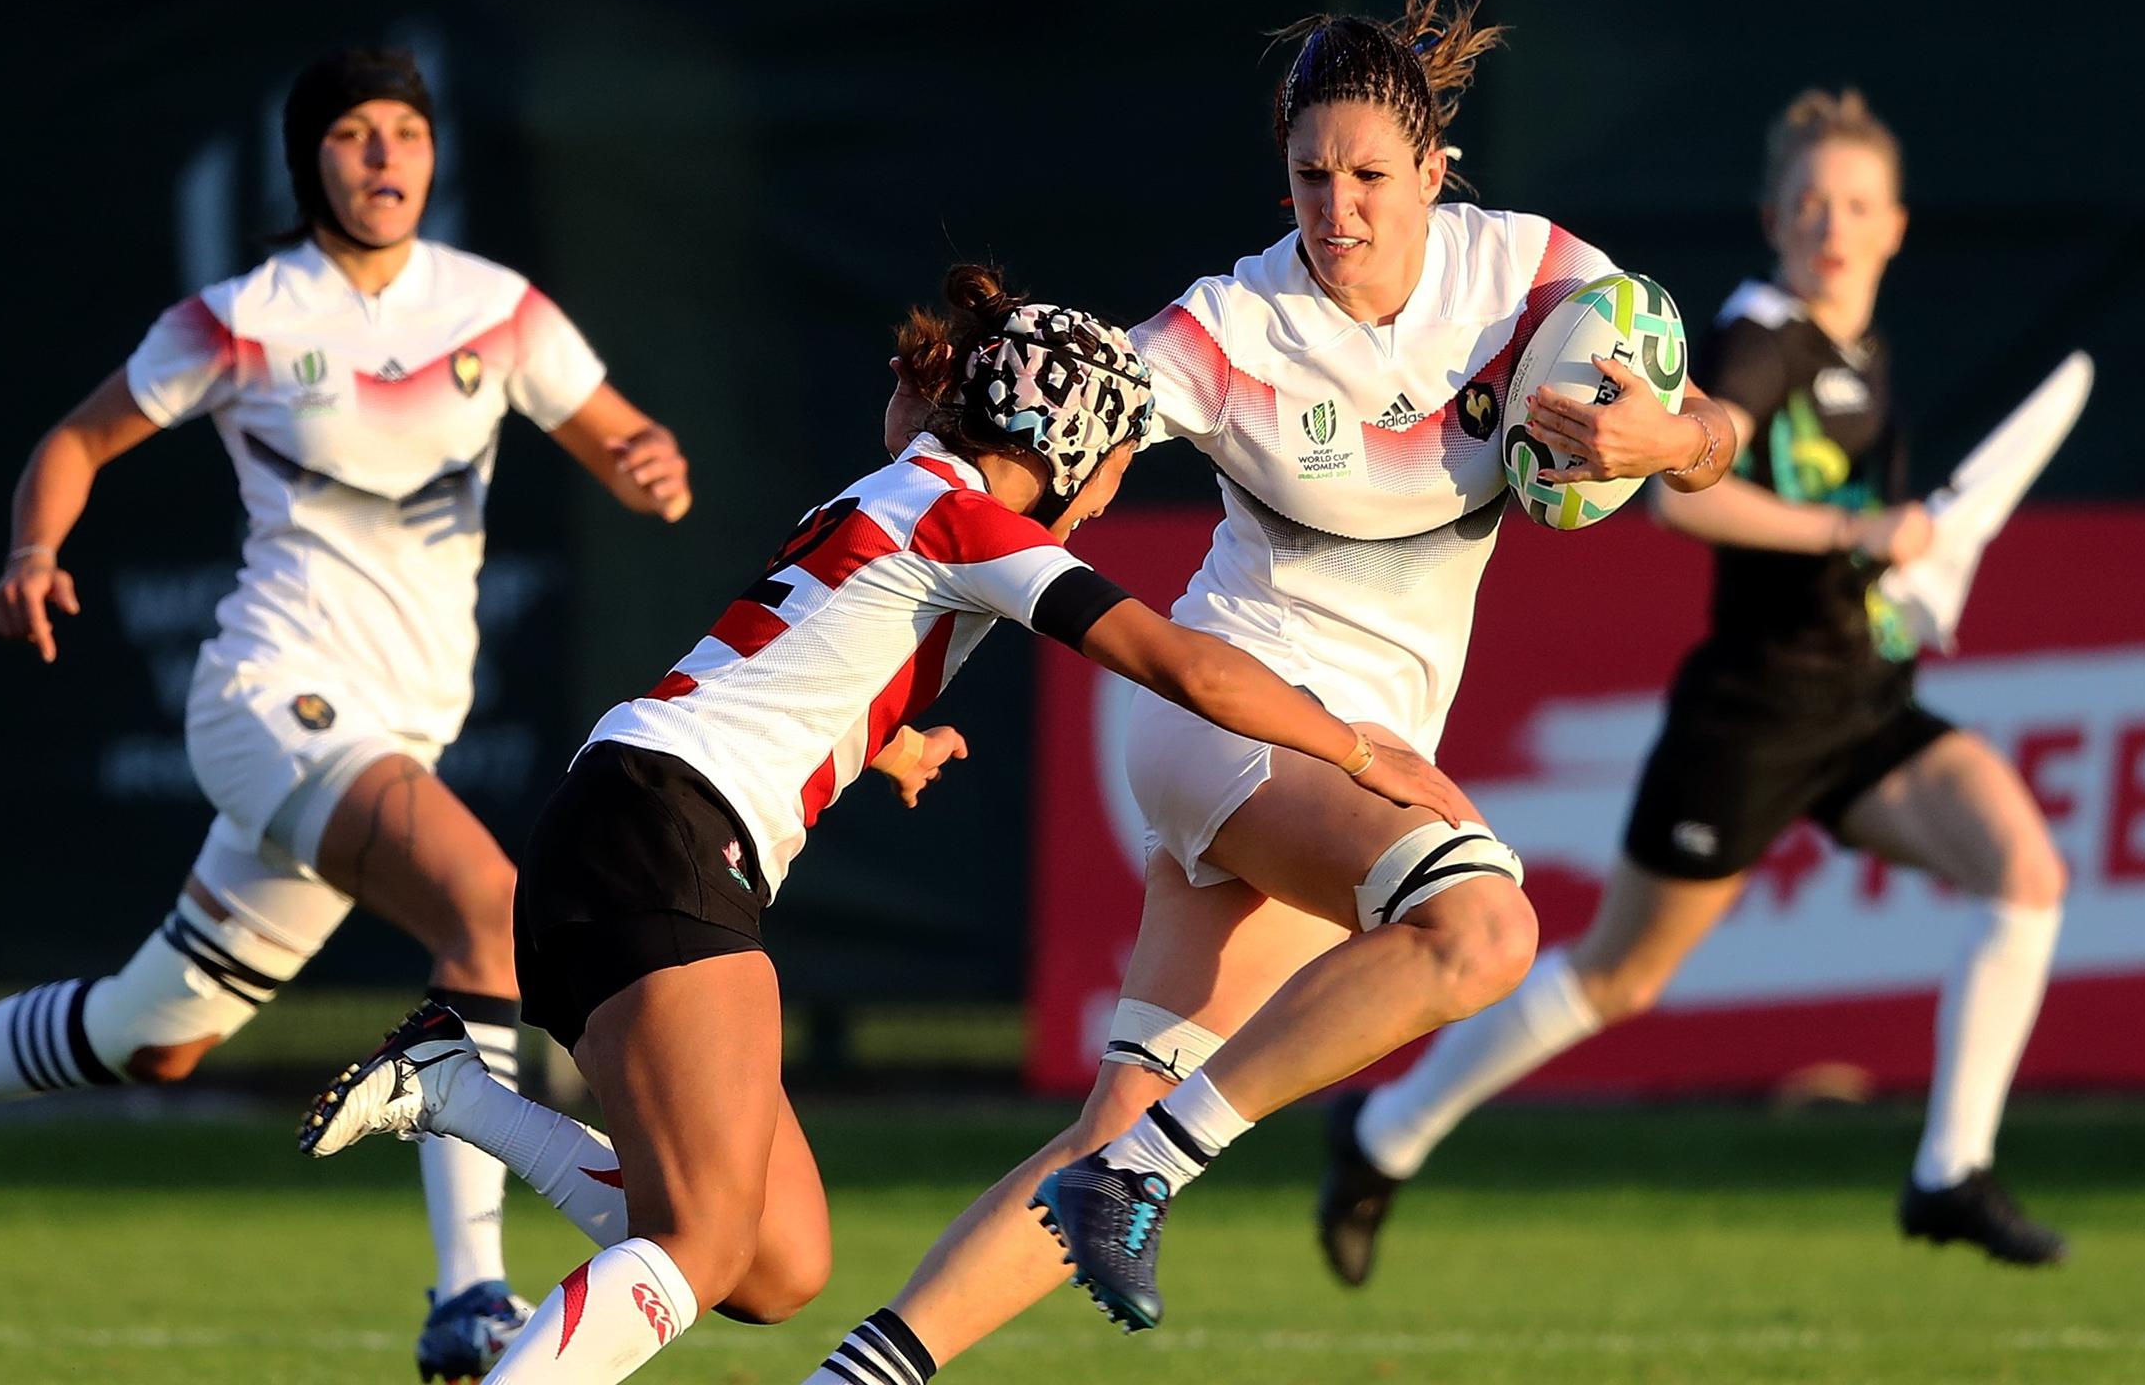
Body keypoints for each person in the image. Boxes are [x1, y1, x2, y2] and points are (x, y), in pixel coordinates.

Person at [778, 0, 1737, 1382]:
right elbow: (1038, 438)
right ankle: (1146, 1177)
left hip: (1346, 759)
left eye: (1368, 176)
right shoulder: (1235, 327)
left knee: (1108, 1128)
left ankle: (863, 1370)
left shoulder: (1533, 275)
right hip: (1227, 720)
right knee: (1483, 929)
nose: (1335, 210)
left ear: (1435, 171)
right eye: (1308, 176)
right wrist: (943, 424)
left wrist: (1672, 444)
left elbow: (1707, 426)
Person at [292, 264, 1471, 1385]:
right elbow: (1187, 668)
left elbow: (809, 647)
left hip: (620, 823)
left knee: (776, 1264)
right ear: (1069, 449)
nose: (1111, 496)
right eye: (1117, 466)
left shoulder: (903, 487)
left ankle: (455, 1087)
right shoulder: (968, 520)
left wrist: (884, 737)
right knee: (704, 1241)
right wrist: (1364, 753)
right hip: (666, 835)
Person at [0, 47, 694, 1378]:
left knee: (148, 1037)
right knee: (485, 907)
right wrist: (33, 552)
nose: (384, 156)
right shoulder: (247, 316)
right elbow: (77, 440)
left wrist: (648, 467)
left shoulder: (493, 309)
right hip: (275, 698)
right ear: (309, 160)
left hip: (393, 732)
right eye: (355, 133)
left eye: (405, 134)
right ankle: (471, 1299)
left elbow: (623, 439)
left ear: (433, 157)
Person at [1317, 87, 2070, 1281]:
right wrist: (1855, 536)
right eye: (1810, 202)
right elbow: (1684, 497)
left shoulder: (1860, 351)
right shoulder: (1761, 338)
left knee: (2025, 873)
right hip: (1753, 715)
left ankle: (1949, 1174)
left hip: (1861, 702)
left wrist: (1894, 582)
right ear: (1773, 218)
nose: (1832, 224)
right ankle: (1382, 1133)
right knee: (1617, 978)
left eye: (1856, 205)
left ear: (1894, 228)